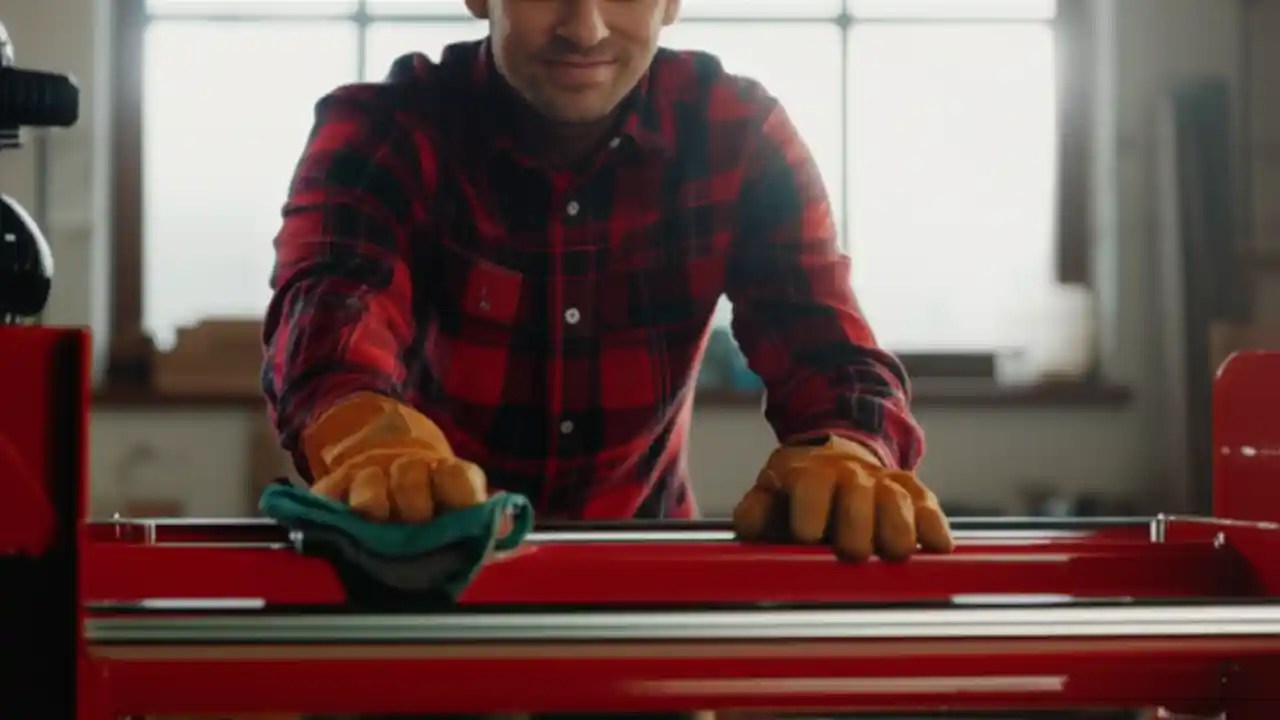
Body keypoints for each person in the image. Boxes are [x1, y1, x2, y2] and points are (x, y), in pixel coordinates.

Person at [263, 0, 955, 579]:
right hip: (418, 574)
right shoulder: (384, 128)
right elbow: (328, 324)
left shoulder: (737, 135)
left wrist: (847, 450)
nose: (585, 27)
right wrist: (373, 446)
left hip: (645, 577)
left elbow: (831, 354)